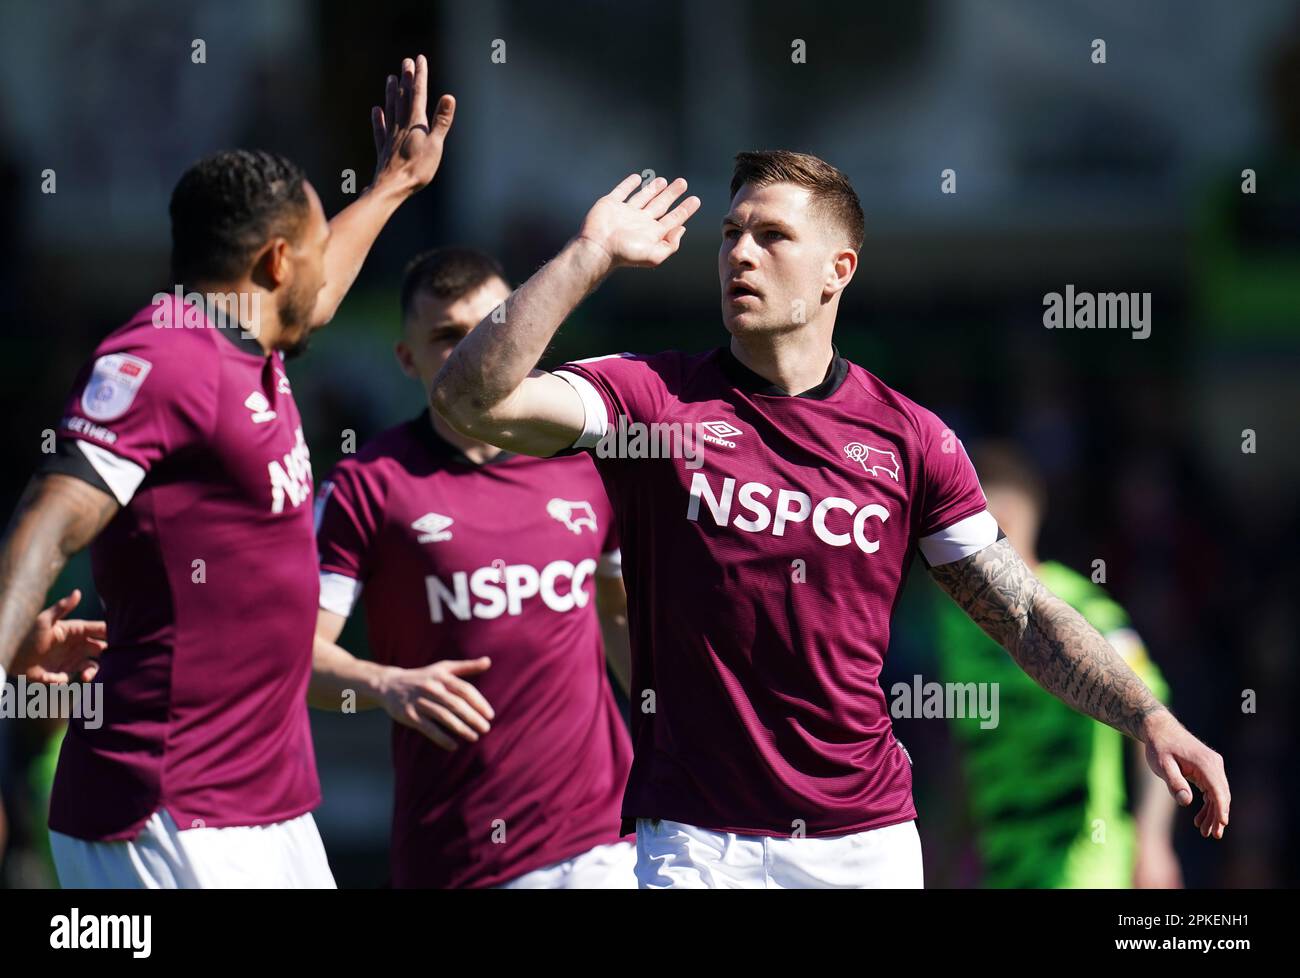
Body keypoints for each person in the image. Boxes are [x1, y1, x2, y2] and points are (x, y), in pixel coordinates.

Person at [431, 150, 1230, 888]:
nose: (740, 254)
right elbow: (471, 400)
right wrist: (588, 256)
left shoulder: (911, 439)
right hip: (697, 842)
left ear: (836, 271)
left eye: (772, 236)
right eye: (731, 234)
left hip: (864, 842)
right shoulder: (651, 400)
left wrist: (1148, 716)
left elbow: (1022, 614)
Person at [0, 54, 454, 888]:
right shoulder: (164, 356)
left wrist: (394, 185)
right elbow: (48, 515)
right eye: (315, 252)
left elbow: (315, 298)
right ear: (276, 262)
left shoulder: (248, 345)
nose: (328, 277)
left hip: (263, 807)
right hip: (168, 810)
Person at [311, 247, 635, 888]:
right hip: (458, 852)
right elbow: (296, 659)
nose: (470, 350)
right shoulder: (366, 485)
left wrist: (678, 732)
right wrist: (383, 684)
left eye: (492, 325)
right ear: (408, 359)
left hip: (603, 837)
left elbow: (619, 610)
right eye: (446, 336)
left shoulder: (587, 463)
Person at [936, 442, 1181, 888]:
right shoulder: (955, 625)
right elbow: (966, 743)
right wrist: (946, 849)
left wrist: (1153, 841)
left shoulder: (1085, 609)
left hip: (1085, 864)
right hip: (1003, 867)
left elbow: (1159, 730)